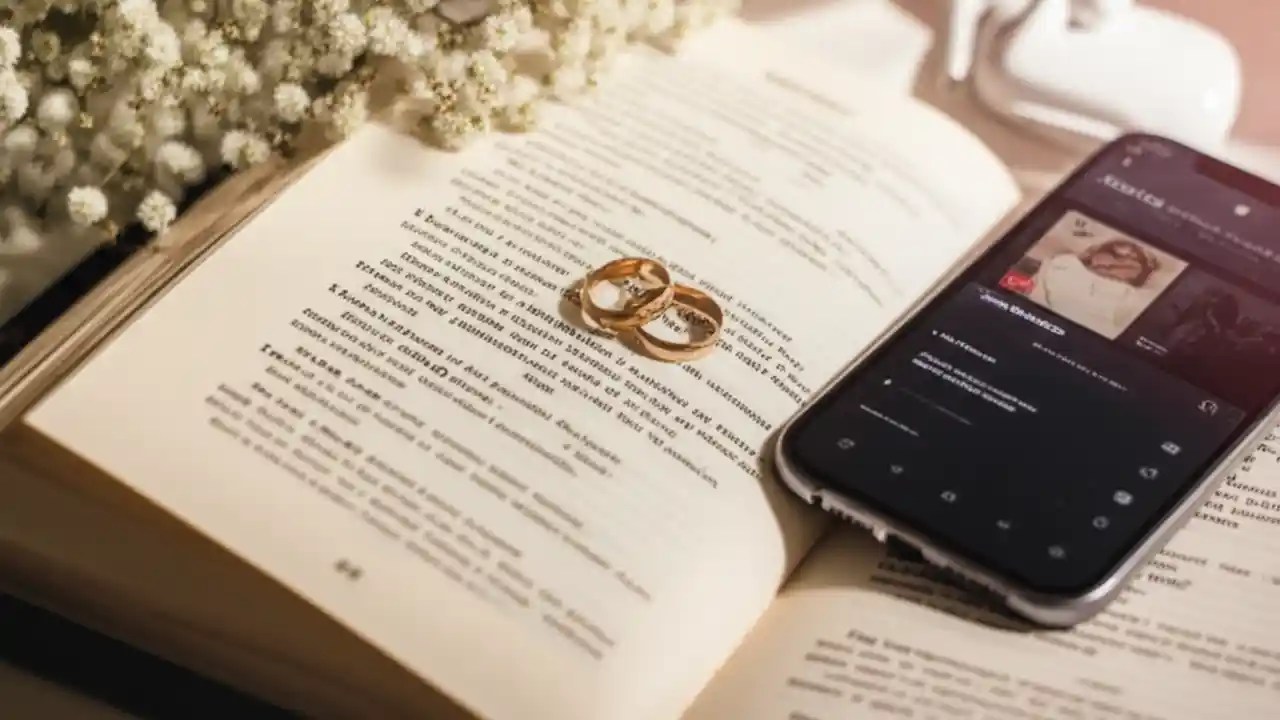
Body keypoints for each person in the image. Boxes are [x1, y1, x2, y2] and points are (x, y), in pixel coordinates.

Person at [1026, 238, 1162, 337]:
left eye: (1132, 259)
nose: (1119, 262)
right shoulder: (1066, 263)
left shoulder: (1132, 295)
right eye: (1113, 254)